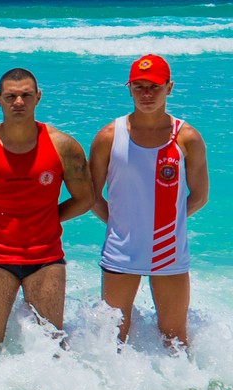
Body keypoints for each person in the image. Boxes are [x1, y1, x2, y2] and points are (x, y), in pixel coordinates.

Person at [0, 68, 93, 344]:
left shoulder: (63, 146)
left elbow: (85, 198)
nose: (18, 102)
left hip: (47, 259)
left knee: (52, 345)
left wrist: (49, 219)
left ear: (38, 97)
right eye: (11, 96)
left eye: (26, 95)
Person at [89, 54, 209, 347]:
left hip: (169, 251)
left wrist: (168, 224)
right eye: (139, 86)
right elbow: (91, 196)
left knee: (175, 340)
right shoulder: (109, 136)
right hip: (121, 251)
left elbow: (200, 196)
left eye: (154, 86)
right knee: (113, 340)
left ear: (169, 87)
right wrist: (120, 223)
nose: (147, 94)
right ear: (129, 89)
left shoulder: (187, 137)